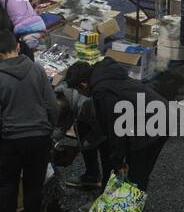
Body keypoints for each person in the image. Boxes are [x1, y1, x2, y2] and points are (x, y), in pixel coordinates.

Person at [0, 31, 58, 212]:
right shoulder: (37, 70)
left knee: (8, 186)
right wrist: (48, 129)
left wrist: (0, 140)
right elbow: (52, 106)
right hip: (39, 138)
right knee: (34, 185)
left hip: (10, 140)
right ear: (18, 46)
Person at [63, 58, 169, 193]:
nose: (80, 94)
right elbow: (106, 126)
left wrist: (118, 160)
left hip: (154, 124)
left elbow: (115, 131)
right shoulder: (104, 73)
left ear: (83, 84)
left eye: (78, 90)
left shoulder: (103, 92)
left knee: (135, 176)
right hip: (156, 113)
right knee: (132, 171)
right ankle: (121, 207)